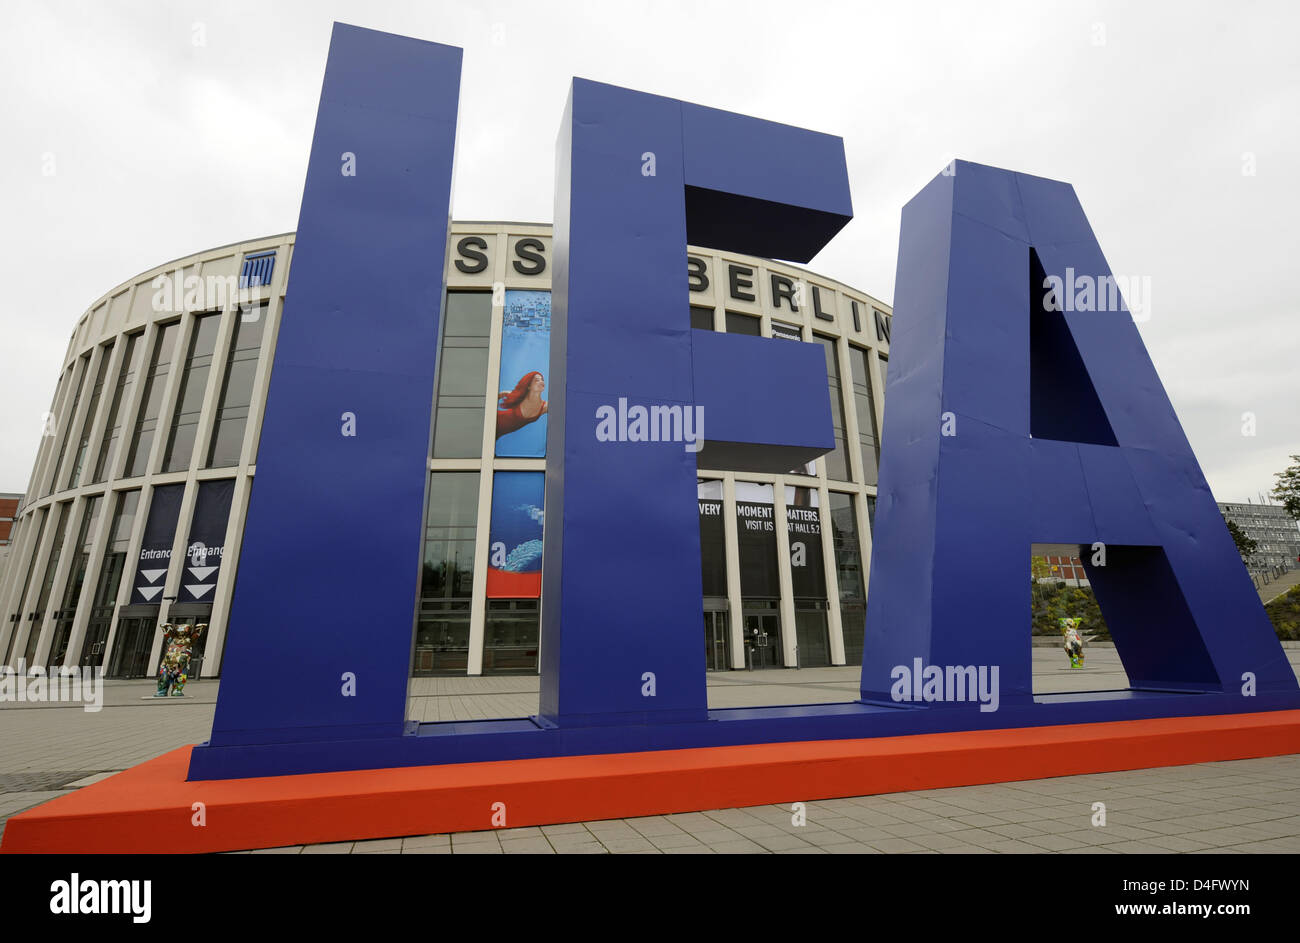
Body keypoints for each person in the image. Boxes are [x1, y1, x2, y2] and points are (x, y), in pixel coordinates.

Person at [496, 371, 547, 438]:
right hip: (495, 420)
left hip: (497, 434)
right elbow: (492, 399)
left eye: (542, 380)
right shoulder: (519, 397)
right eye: (537, 380)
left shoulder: (544, 407)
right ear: (529, 386)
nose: (541, 382)